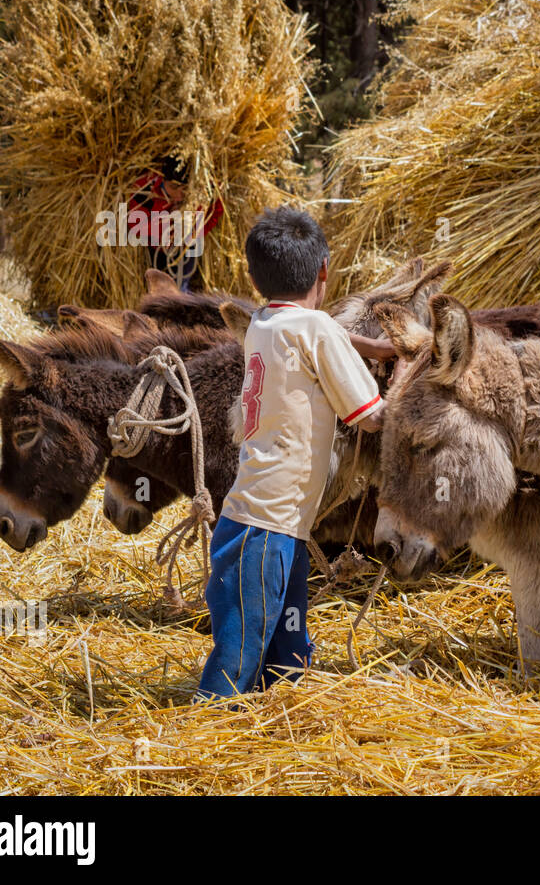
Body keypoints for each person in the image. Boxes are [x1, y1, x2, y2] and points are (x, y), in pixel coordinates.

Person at [197, 206, 394, 700]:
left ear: (252, 275)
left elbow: (318, 333)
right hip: (266, 531)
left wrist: (375, 349)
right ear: (324, 270)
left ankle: (274, 725)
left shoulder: (262, 324)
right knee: (237, 660)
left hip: (265, 524)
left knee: (286, 653)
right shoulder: (317, 331)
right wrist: (419, 404)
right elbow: (369, 416)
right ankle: (203, 730)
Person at [129, 155, 224, 292]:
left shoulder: (206, 188)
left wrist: (193, 233)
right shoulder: (145, 188)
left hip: (186, 246)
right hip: (157, 247)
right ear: (163, 179)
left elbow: (216, 212)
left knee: (181, 287)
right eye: (174, 187)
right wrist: (167, 223)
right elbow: (135, 223)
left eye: (185, 189)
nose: (180, 196)